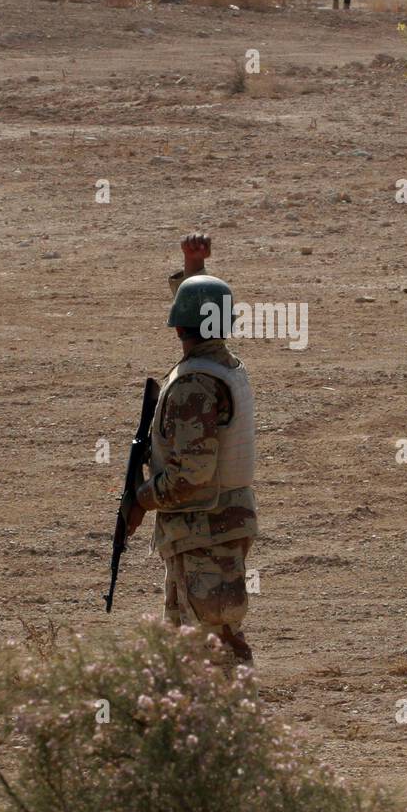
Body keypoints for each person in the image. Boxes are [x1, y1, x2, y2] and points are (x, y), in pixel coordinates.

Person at [125, 233, 259, 667]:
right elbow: (203, 314)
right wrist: (194, 269)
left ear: (177, 325)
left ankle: (233, 728)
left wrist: (140, 501)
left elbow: (191, 475)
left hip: (204, 528)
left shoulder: (193, 386)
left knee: (213, 645)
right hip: (218, 525)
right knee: (191, 643)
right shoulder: (222, 365)